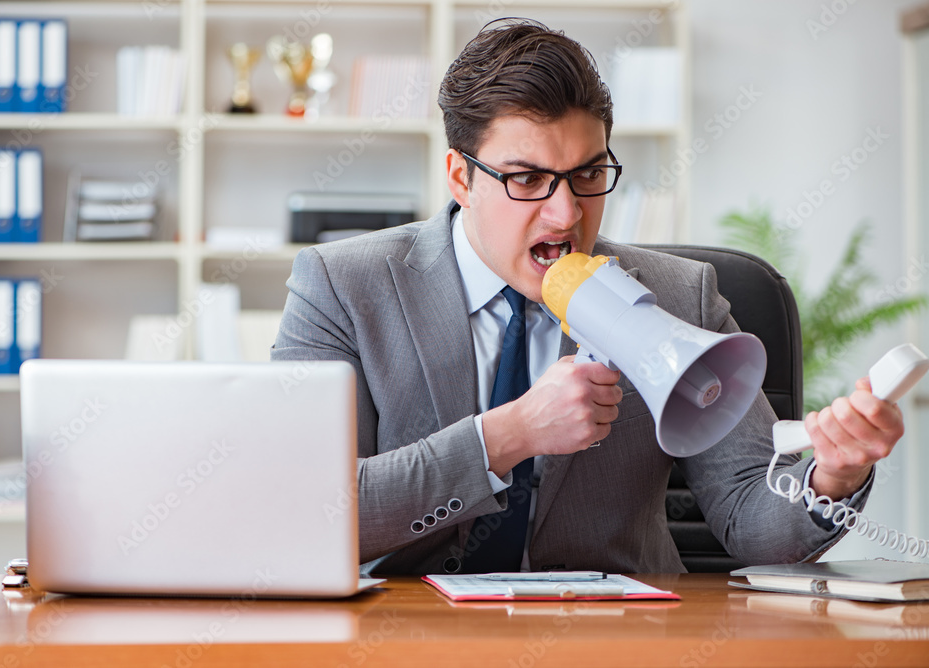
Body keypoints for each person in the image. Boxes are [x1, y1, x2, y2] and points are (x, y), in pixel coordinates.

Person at [272, 19, 904, 574]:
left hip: (621, 635)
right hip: (409, 638)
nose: (566, 213)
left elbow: (754, 516)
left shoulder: (681, 297)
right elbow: (306, 512)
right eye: (527, 178)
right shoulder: (342, 286)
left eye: (589, 174)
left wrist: (833, 475)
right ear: (461, 177)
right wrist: (507, 436)